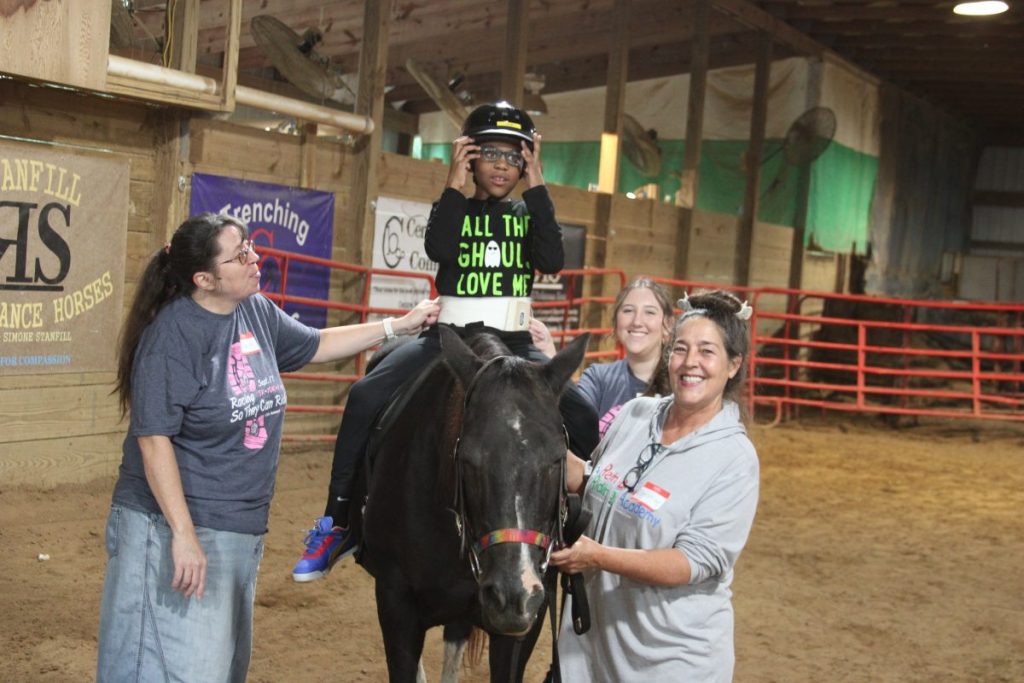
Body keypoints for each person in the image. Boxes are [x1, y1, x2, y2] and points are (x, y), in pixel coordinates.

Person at [96, 213, 439, 683]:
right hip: (170, 528)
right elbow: (154, 441)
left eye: (251, 246)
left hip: (237, 530)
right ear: (205, 279)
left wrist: (398, 326)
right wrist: (183, 535)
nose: (255, 258)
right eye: (240, 256)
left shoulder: (252, 309)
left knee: (218, 671)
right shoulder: (173, 337)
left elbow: (315, 344)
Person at [291, 101, 600, 582]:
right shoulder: (452, 206)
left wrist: (538, 182)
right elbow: (439, 248)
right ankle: (340, 520)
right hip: (449, 340)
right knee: (365, 395)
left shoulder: (527, 211)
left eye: (514, 158)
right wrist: (453, 185)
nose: (502, 166)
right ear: (469, 157)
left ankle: (577, 525)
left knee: (580, 412)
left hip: (515, 341)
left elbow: (552, 257)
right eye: (490, 154)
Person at [549, 290, 760, 682]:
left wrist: (598, 557)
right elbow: (599, 483)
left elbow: (691, 562)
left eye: (706, 351)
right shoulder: (636, 414)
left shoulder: (734, 459)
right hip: (592, 653)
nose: (690, 362)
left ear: (733, 365)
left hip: (668, 662)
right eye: (681, 349)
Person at [531, 277, 674, 436]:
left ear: (668, 325)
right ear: (615, 322)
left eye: (649, 312)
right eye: (628, 310)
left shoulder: (681, 384)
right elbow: (573, 422)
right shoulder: (598, 378)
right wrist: (552, 359)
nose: (637, 321)